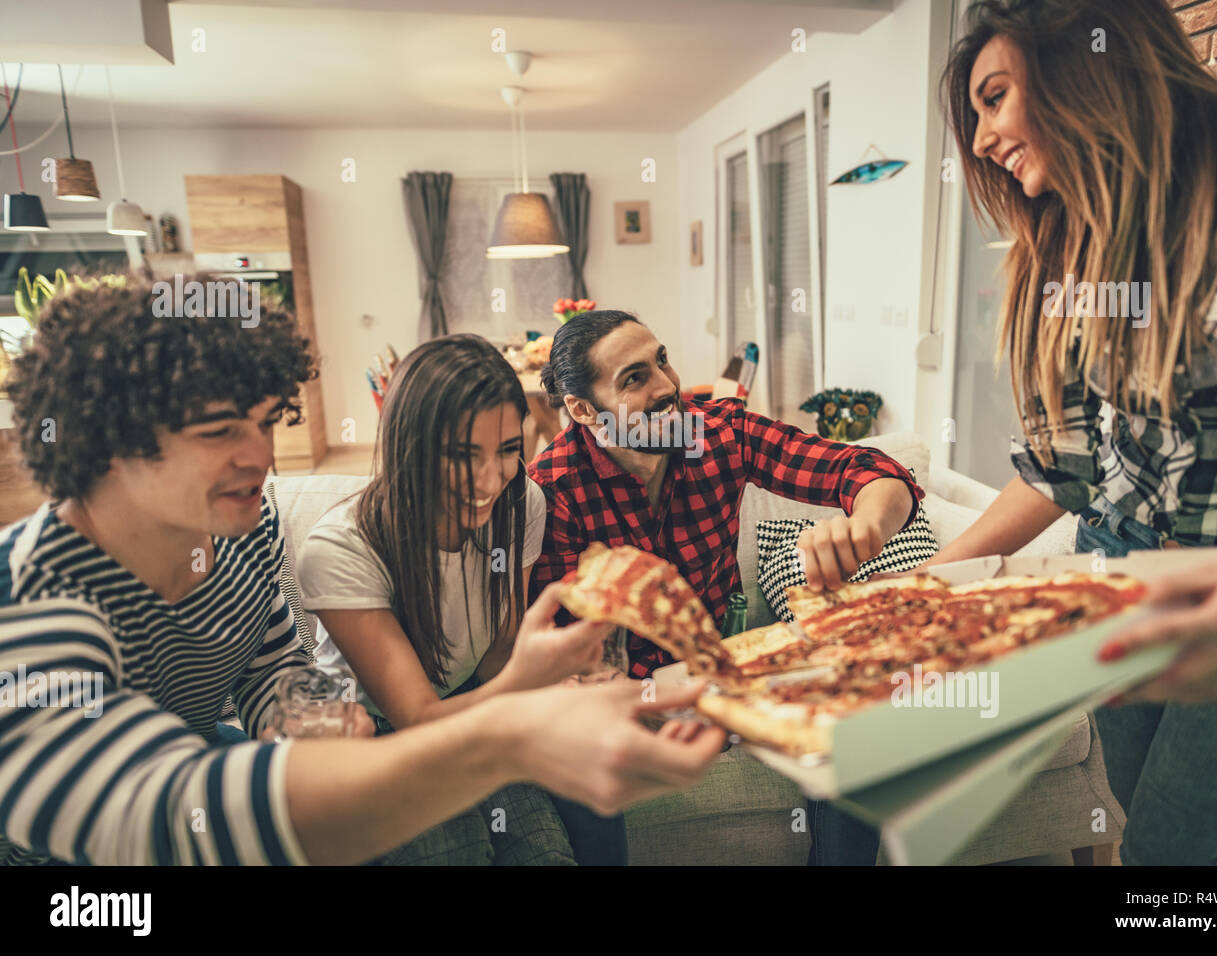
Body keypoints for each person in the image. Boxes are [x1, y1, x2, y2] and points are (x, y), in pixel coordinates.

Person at [0, 274, 724, 866]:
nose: (259, 455)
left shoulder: (240, 537)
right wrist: (506, 735)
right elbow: (140, 803)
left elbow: (270, 669)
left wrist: (313, 716)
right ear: (106, 442)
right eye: (221, 431)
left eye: (266, 421)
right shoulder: (33, 594)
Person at [935, 0, 1217, 864]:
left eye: (993, 98)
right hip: (1115, 564)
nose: (983, 141)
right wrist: (920, 588)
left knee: (1172, 848)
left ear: (1089, 59)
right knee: (1122, 806)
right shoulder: (1068, 237)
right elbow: (1061, 468)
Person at [528, 309, 923, 865]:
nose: (667, 387)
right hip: (623, 694)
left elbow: (865, 469)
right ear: (582, 410)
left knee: (860, 714)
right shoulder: (552, 490)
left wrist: (866, 528)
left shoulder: (721, 431)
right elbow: (561, 649)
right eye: (634, 378)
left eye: (661, 360)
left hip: (724, 671)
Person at [295, 333, 641, 864]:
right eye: (463, 455)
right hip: (376, 740)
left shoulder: (521, 501)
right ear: (410, 447)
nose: (490, 479)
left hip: (478, 710)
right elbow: (417, 718)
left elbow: (498, 654)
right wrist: (526, 684)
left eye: (507, 450)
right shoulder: (340, 547)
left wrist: (567, 679)